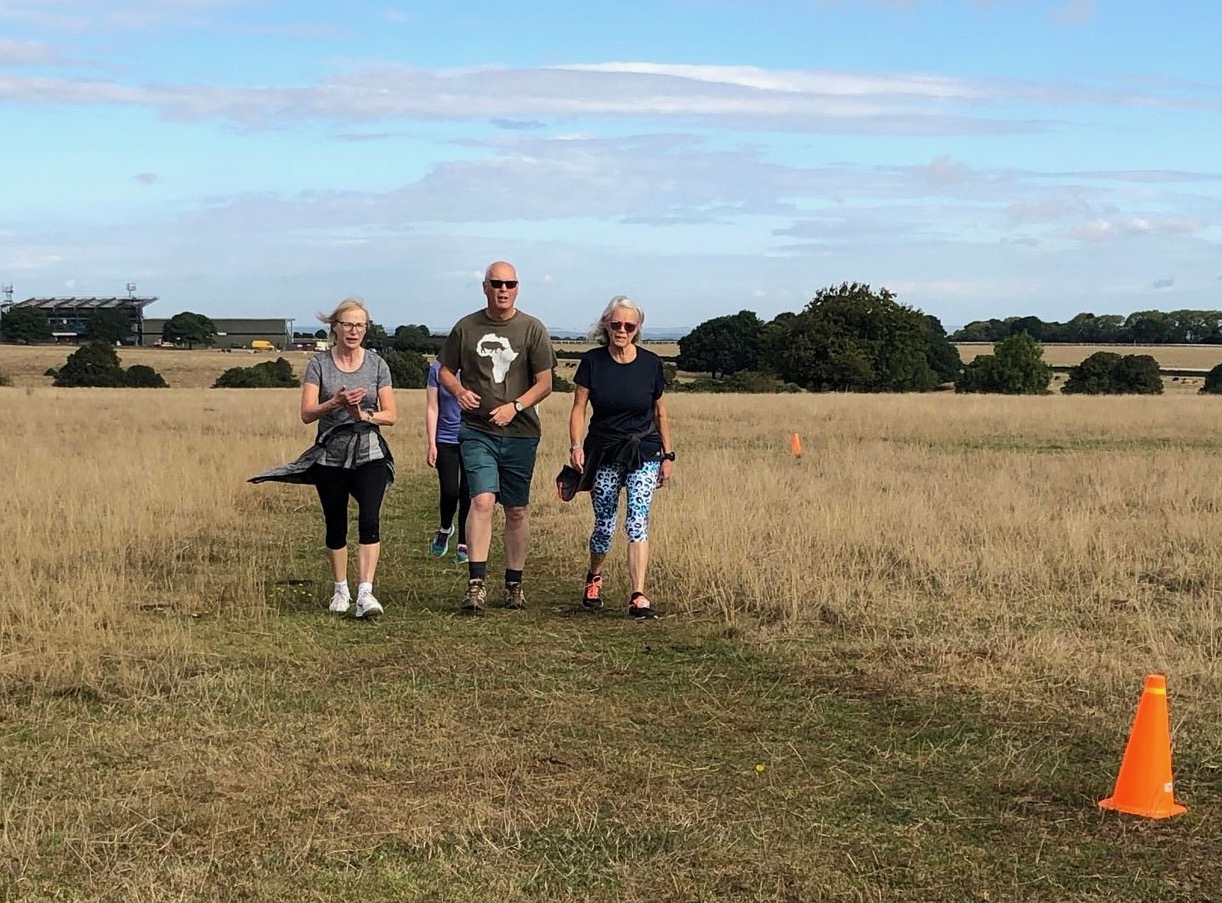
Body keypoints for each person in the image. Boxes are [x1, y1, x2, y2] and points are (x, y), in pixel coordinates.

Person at [249, 297, 397, 619]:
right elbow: (307, 413)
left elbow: (391, 414)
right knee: (336, 522)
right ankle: (340, 589)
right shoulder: (319, 364)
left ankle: (365, 594)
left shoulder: (377, 365)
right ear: (335, 327)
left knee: (370, 519)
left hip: (369, 450)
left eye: (360, 325)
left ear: (366, 329)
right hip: (330, 455)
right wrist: (336, 402)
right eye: (347, 324)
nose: (354, 331)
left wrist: (364, 414)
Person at [437, 261, 557, 612]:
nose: (503, 289)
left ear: (517, 288)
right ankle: (476, 584)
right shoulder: (467, 327)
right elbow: (444, 369)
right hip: (477, 430)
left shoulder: (532, 329)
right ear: (485, 287)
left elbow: (545, 383)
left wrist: (515, 407)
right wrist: (458, 390)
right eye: (496, 283)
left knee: (516, 510)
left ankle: (514, 584)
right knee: (483, 501)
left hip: (521, 433)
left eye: (510, 283)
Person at [568, 296, 673, 619]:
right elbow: (578, 409)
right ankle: (594, 575)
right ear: (606, 326)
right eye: (616, 324)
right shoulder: (593, 362)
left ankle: (638, 594)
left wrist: (667, 455)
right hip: (605, 451)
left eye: (629, 325)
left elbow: (660, 411)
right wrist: (576, 446)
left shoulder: (651, 364)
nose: (622, 330)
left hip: (644, 451)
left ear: (638, 329)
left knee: (637, 521)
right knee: (604, 525)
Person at [426, 358, 470, 564]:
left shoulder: (477, 365)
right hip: (445, 439)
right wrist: (431, 443)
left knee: (468, 492)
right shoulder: (436, 369)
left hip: (473, 438)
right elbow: (432, 408)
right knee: (450, 490)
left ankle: (464, 541)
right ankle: (445, 528)